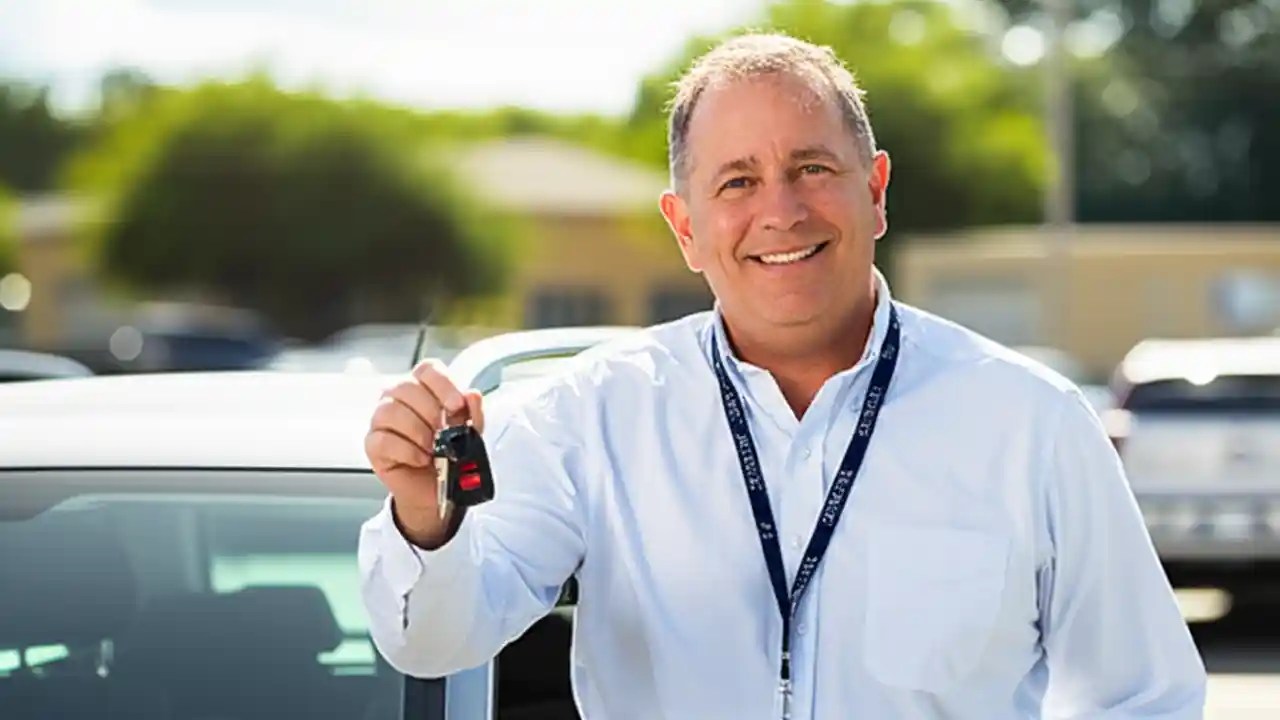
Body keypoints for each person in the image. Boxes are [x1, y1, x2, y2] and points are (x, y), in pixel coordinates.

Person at [358, 32, 1207, 719]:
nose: (782, 211)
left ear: (874, 189)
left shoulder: (1034, 424)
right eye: (738, 181)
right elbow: (438, 642)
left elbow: (1145, 698)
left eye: (811, 168)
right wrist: (427, 524)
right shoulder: (589, 415)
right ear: (685, 227)